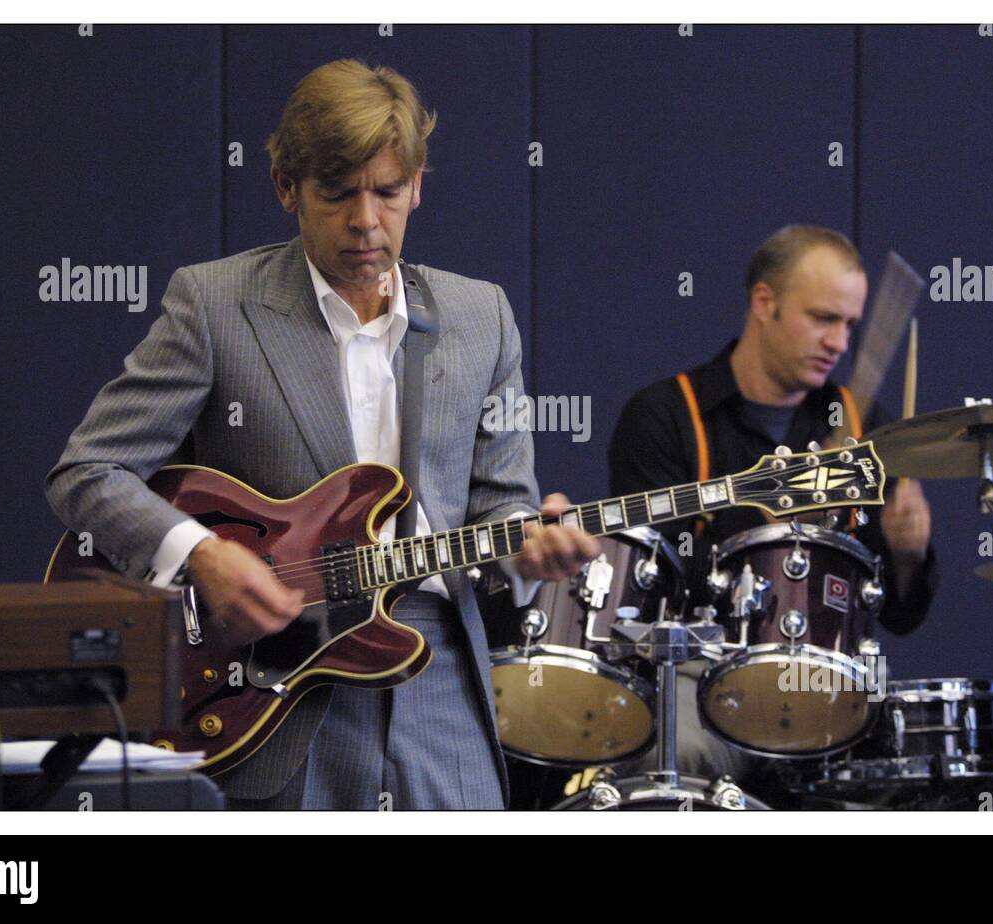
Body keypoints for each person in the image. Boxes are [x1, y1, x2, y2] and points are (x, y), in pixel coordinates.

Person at [45, 59, 598, 810]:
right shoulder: (213, 304)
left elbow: (504, 508)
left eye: (388, 192)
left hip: (441, 688)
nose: (366, 220)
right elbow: (88, 472)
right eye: (337, 194)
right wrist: (201, 555)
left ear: (418, 186)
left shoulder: (483, 317)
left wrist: (531, 550)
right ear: (286, 187)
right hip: (275, 689)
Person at [606, 224, 937, 794]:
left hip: (830, 680)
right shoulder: (665, 415)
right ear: (765, 302)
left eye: (850, 325)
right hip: (699, 673)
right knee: (678, 754)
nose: (839, 343)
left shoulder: (864, 425)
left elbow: (898, 616)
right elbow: (648, 579)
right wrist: (771, 536)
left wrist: (909, 554)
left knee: (935, 768)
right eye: (823, 318)